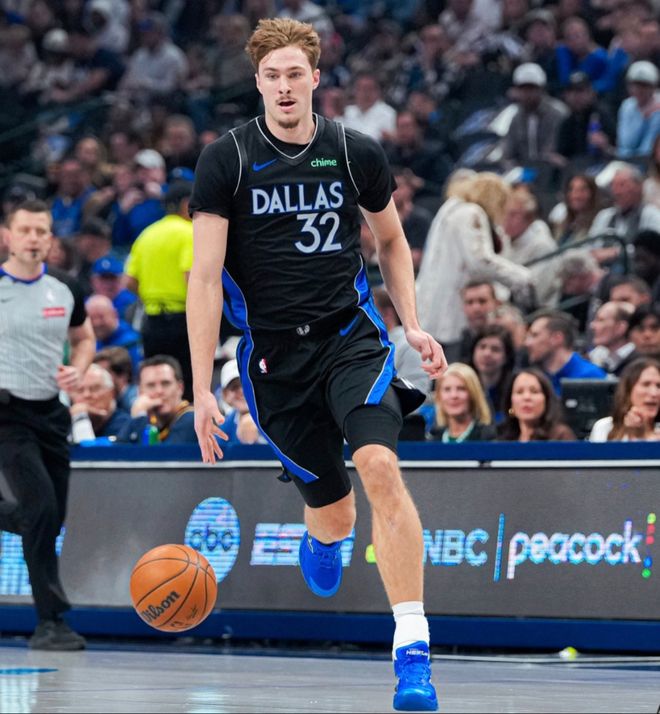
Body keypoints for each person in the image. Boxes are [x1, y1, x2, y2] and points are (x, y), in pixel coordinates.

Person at [186, 18, 445, 712]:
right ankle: (324, 534)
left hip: (350, 339)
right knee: (334, 515)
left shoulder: (354, 152)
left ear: (316, 78)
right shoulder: (227, 160)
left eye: (295, 74)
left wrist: (411, 323)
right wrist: (202, 388)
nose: (284, 86)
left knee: (380, 467)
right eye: (272, 75)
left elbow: (391, 242)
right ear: (258, 82)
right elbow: (204, 280)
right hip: (274, 360)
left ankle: (413, 656)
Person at [0, 199, 95, 649]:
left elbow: (84, 338)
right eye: (26, 230)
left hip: (51, 411)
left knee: (52, 517)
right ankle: (49, 622)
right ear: (8, 235)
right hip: (6, 413)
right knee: (39, 510)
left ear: (51, 237)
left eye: (41, 230)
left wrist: (78, 368)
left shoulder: (65, 287)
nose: (34, 238)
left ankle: (51, 619)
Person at [124, 181, 194, 401]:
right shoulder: (189, 232)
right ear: (186, 204)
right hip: (183, 320)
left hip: (152, 322)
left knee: (155, 384)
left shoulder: (147, 234)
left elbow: (128, 281)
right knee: (186, 386)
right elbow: (191, 278)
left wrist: (151, 295)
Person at [117, 355, 196, 444]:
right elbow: (118, 449)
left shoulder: (192, 419)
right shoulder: (149, 421)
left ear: (180, 388)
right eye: (151, 385)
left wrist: (139, 417)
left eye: (165, 383)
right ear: (140, 392)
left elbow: (163, 452)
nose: (159, 391)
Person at [525, 310, 607, 394]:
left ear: (557, 338)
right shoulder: (534, 379)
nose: (527, 343)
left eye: (535, 335)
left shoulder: (590, 378)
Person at [589, 357, 660, 441]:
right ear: (628, 390)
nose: (654, 393)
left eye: (658, 386)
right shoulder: (604, 427)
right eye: (646, 384)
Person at [498, 367, 576, 441]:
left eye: (534, 391)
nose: (526, 397)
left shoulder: (560, 436)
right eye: (519, 392)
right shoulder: (503, 438)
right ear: (510, 402)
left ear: (547, 400)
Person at [428, 362, 496, 442]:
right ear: (439, 396)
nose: (454, 395)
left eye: (461, 389)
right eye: (447, 389)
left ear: (473, 393)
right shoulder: (432, 439)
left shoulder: (490, 438)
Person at [68, 363, 131, 443]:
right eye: (80, 390)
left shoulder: (125, 425)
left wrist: (80, 417)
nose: (87, 395)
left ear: (111, 392)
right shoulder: (63, 424)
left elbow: (89, 450)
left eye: (94, 388)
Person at [469, 324, 517, 423]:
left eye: (495, 349)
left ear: (506, 357)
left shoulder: (515, 388)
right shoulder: (463, 385)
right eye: (482, 347)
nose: (487, 354)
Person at [588, 301, 637, 376]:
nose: (592, 326)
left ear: (620, 327)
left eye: (600, 320)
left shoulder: (638, 360)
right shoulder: (597, 354)